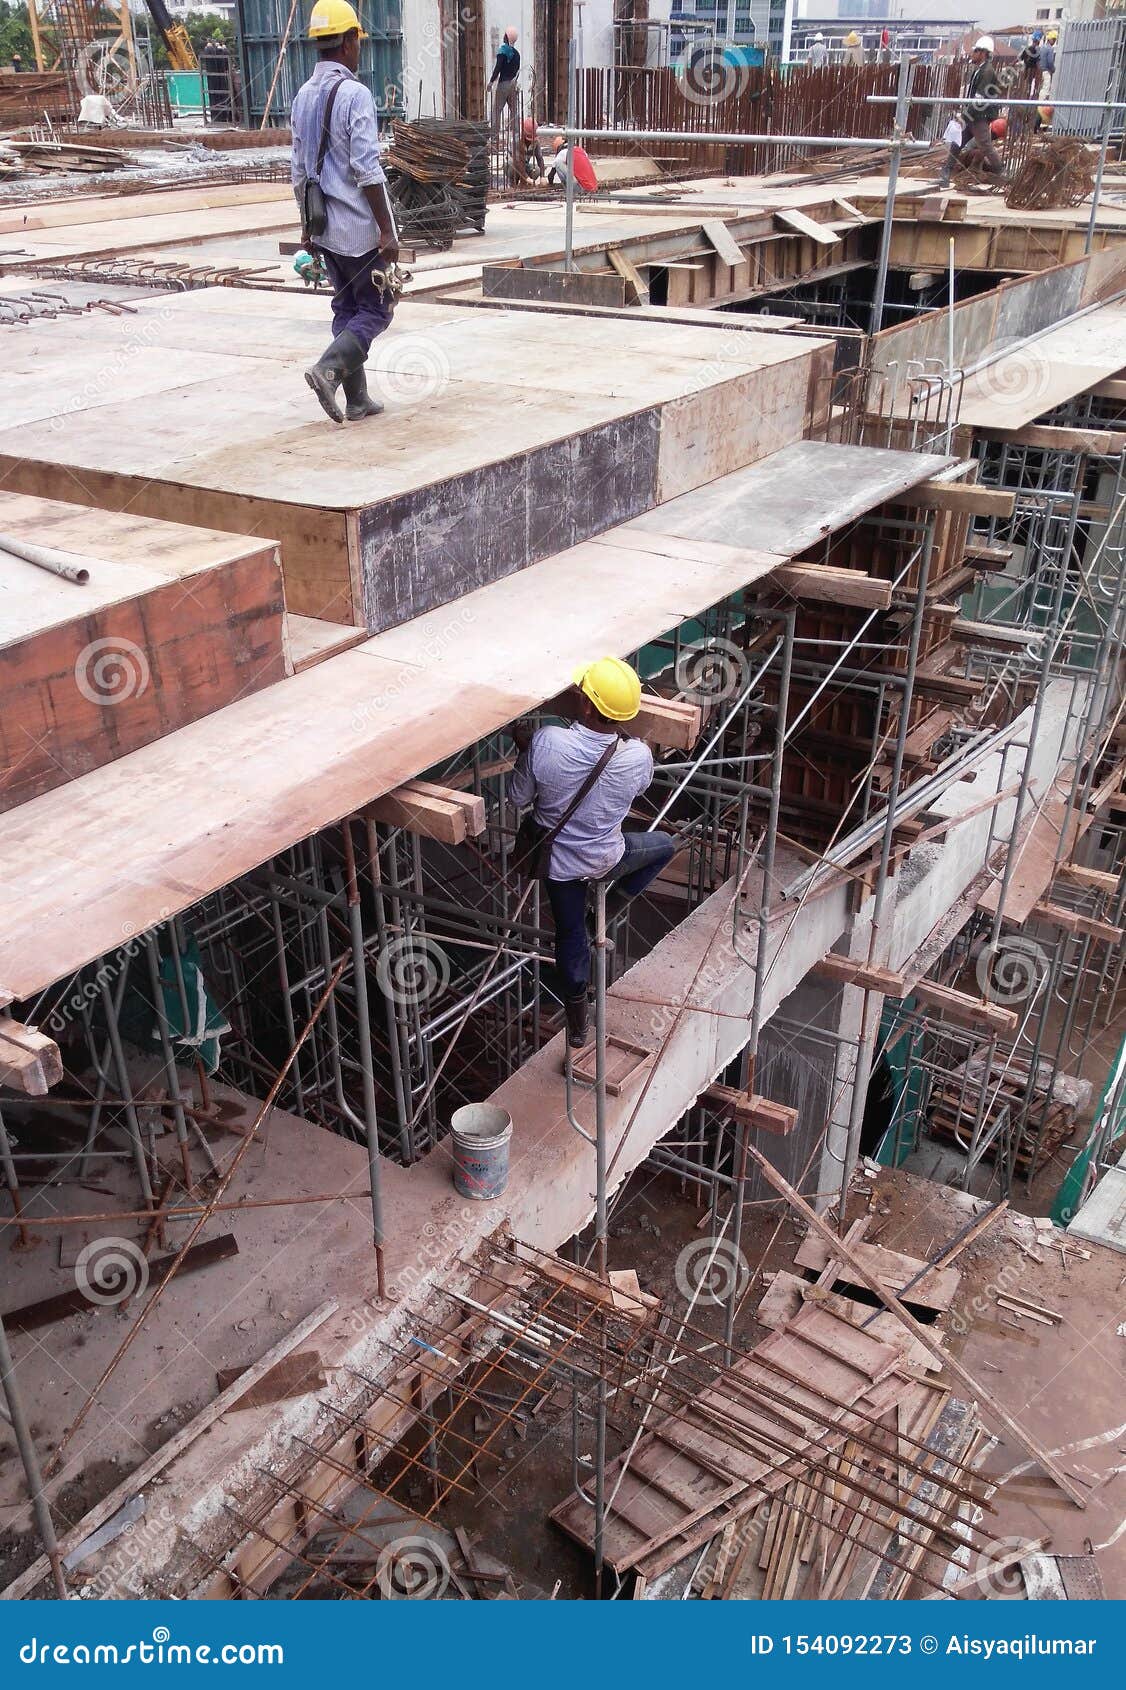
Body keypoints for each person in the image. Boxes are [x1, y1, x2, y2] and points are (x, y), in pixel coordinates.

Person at [508, 658, 676, 1050]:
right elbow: (637, 788)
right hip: (607, 859)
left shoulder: (547, 741)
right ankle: (608, 907)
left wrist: (526, 751)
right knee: (665, 846)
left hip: (558, 866)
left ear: (584, 704)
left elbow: (518, 797)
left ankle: (578, 1023)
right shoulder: (637, 756)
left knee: (569, 936)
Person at [291, 0, 399, 425]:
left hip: (323, 227)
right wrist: (386, 230)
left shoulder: (302, 96)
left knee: (346, 309)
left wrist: (306, 227)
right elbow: (367, 168)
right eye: (358, 41)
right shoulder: (355, 94)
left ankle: (358, 400)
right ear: (350, 41)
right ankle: (328, 372)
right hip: (357, 227)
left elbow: (298, 170)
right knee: (377, 308)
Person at [939, 36, 1003, 188]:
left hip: (979, 116)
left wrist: (965, 115)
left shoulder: (987, 71)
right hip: (973, 114)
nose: (972, 54)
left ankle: (1002, 173)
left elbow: (979, 97)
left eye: (975, 51)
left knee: (985, 146)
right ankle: (946, 173)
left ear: (983, 53)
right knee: (957, 142)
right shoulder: (980, 70)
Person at [488, 27, 520, 140]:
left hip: (503, 84)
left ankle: (494, 137)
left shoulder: (503, 51)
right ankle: (516, 136)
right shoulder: (516, 54)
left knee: (497, 110)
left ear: (507, 37)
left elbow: (498, 68)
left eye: (505, 35)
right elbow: (517, 70)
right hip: (513, 83)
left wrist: (491, 82)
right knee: (515, 111)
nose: (503, 37)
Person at [1019, 29, 1042, 95]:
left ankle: (1024, 97)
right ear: (1038, 40)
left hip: (1025, 71)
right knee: (1030, 87)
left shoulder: (1027, 48)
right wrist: (1039, 72)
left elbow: (1020, 58)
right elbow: (1038, 63)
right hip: (1032, 72)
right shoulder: (1037, 50)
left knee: (1025, 86)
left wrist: (1013, 63)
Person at [1040, 30, 1057, 99]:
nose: (1054, 41)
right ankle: (1041, 105)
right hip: (1047, 71)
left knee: (1042, 88)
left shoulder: (1042, 47)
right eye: (1054, 39)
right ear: (1050, 39)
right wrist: (1053, 69)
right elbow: (1050, 61)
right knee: (1046, 89)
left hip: (1041, 70)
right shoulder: (1050, 49)